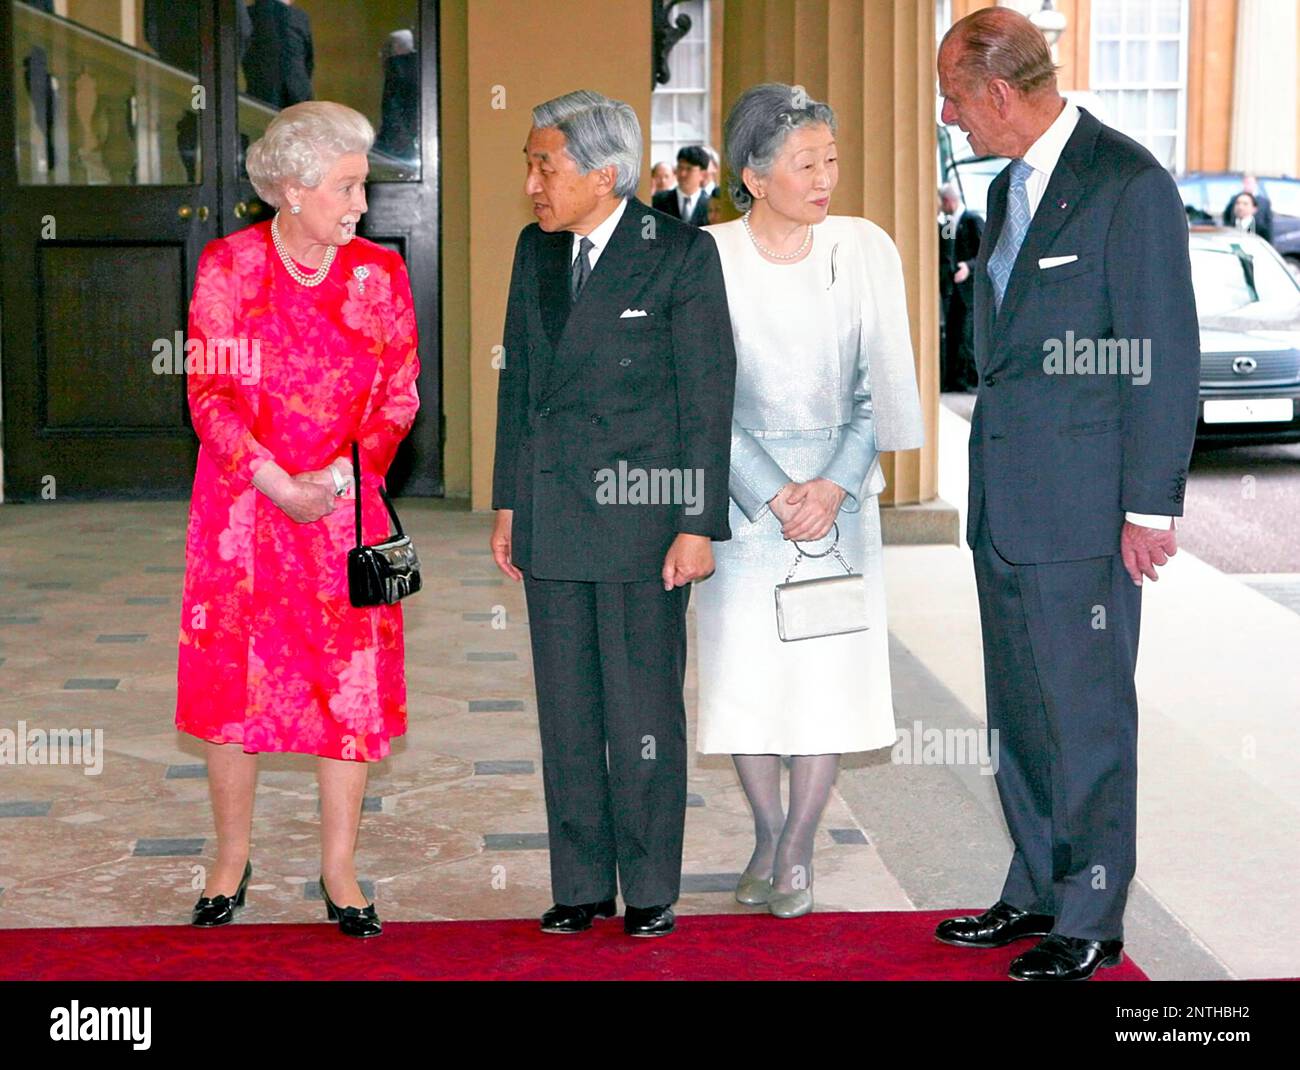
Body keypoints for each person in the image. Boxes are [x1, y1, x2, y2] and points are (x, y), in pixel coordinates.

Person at [935, 8, 1199, 980]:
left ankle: (1089, 912)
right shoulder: (1007, 189)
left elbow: (1162, 356)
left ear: (1000, 94)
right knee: (1019, 709)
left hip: (1084, 511)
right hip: (1004, 503)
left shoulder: (1125, 184)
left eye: (956, 101)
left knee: (1084, 714)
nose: (951, 119)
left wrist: (1148, 507)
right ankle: (1035, 884)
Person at [491, 90, 736, 938]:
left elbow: (709, 398)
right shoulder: (535, 252)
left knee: (640, 712)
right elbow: (519, 383)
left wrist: (698, 522)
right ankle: (581, 884)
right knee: (567, 710)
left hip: (645, 522)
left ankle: (652, 888)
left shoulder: (679, 254)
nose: (531, 182)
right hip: (553, 510)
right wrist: (509, 500)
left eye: (543, 164)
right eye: (530, 163)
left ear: (604, 173)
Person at [176, 101, 420, 939]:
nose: (361, 204)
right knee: (232, 687)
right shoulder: (229, 267)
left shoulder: (379, 276)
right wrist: (278, 480)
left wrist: (347, 479)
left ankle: (340, 870)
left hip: (347, 510)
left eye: (363, 186)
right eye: (347, 186)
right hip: (244, 511)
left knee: (347, 689)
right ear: (290, 187)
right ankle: (230, 859)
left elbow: (400, 393)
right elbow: (207, 394)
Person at [695, 83, 923, 919]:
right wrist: (769, 489)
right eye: (805, 163)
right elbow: (700, 393)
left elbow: (882, 384)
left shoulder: (863, 248)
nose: (825, 177)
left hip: (841, 496)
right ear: (753, 176)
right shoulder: (708, 257)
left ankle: (797, 848)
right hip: (746, 502)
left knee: (825, 676)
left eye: (831, 159)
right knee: (748, 676)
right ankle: (765, 829)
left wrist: (830, 485)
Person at [939, 183, 982, 391]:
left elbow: (985, 252)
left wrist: (968, 266)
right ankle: (954, 380)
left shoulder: (972, 221)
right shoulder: (948, 223)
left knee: (967, 334)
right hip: (952, 291)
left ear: (948, 201)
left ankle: (971, 379)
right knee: (954, 333)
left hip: (969, 290)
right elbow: (946, 253)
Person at [243, 0, 314, 109]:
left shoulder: (247, 16)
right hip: (298, 90)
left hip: (261, 91)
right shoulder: (299, 17)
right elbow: (309, 61)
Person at [652, 145, 712, 226]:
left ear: (703, 174)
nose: (682, 174)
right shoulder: (658, 200)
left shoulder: (710, 204)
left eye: (689, 169)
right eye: (680, 168)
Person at [1222, 174, 1272, 242]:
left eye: (1250, 183)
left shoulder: (1264, 202)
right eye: (1246, 182)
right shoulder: (1235, 198)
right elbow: (1226, 215)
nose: (1241, 207)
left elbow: (1268, 223)